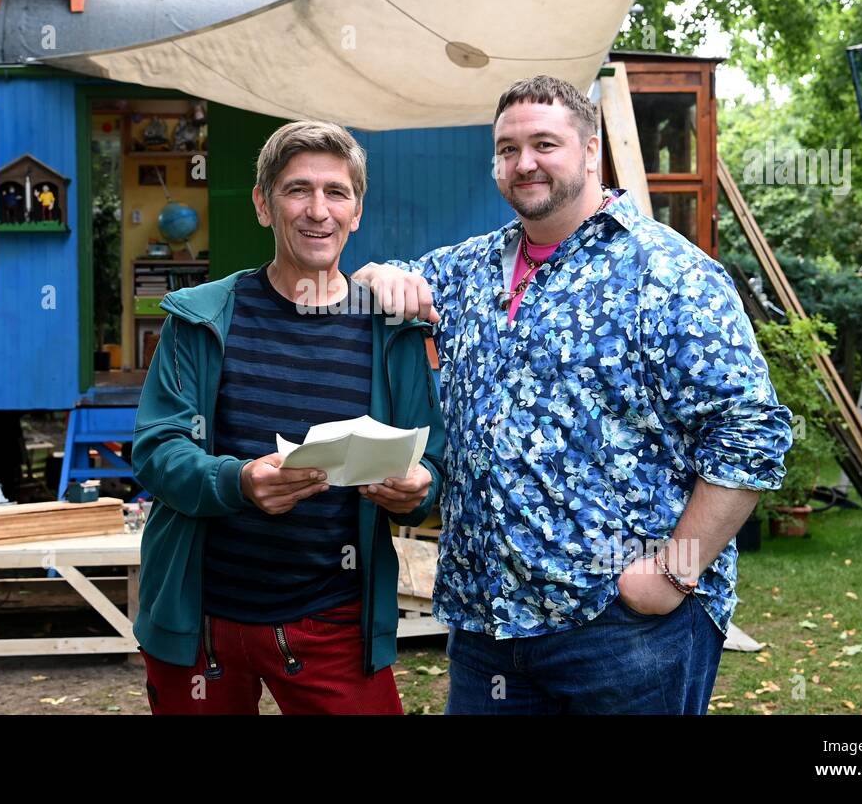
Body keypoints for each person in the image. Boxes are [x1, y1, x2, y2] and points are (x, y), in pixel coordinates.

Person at [353, 75, 793, 714]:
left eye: (544, 144)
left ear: (591, 151)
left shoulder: (670, 273)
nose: (522, 162)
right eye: (507, 149)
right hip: (487, 625)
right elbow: (378, 280)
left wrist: (674, 571)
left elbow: (750, 435)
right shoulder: (467, 269)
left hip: (622, 629)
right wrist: (380, 274)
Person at [130, 120, 446, 714]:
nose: (317, 210)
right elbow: (157, 448)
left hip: (333, 619)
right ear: (263, 204)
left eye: (336, 193)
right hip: (202, 620)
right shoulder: (201, 319)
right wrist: (239, 482)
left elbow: (433, 458)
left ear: (356, 210)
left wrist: (418, 489)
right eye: (297, 190)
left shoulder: (392, 332)